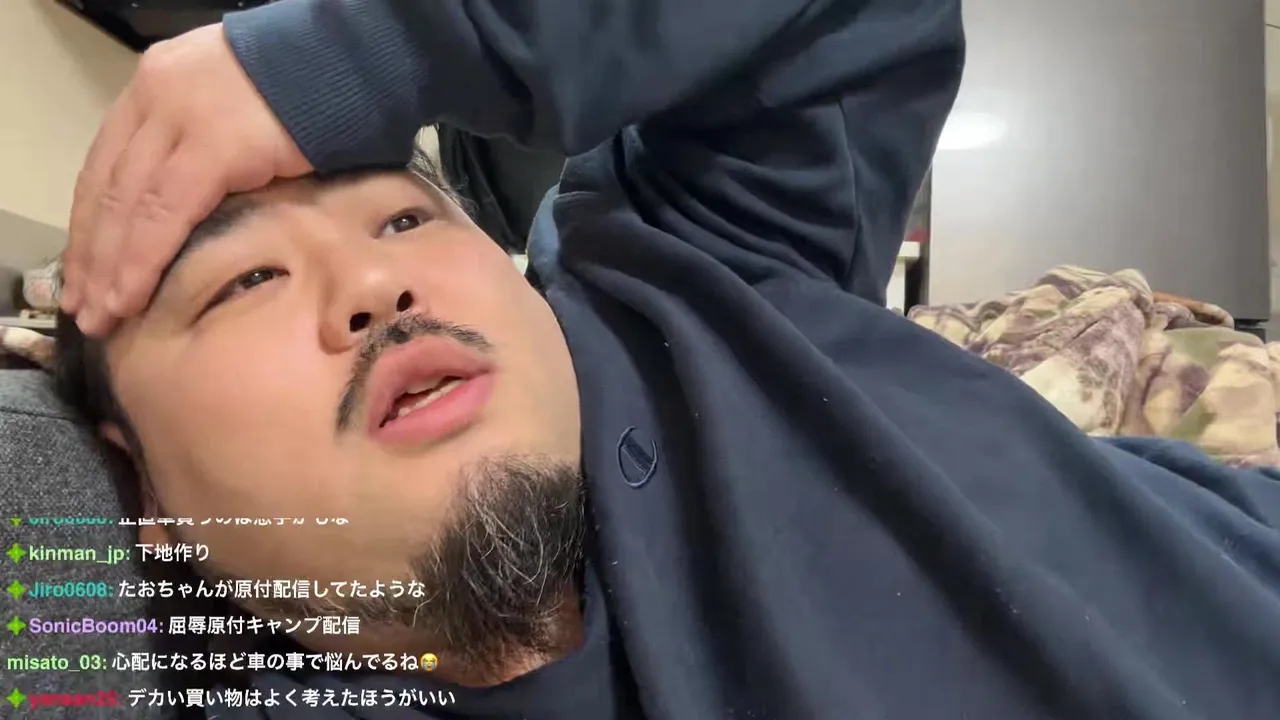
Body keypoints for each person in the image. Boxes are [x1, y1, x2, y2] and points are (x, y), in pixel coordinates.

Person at [52, 0, 1280, 717]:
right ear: (140, 488)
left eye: (407, 220)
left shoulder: (681, 270)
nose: (380, 286)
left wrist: (382, 45)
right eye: (248, 281)